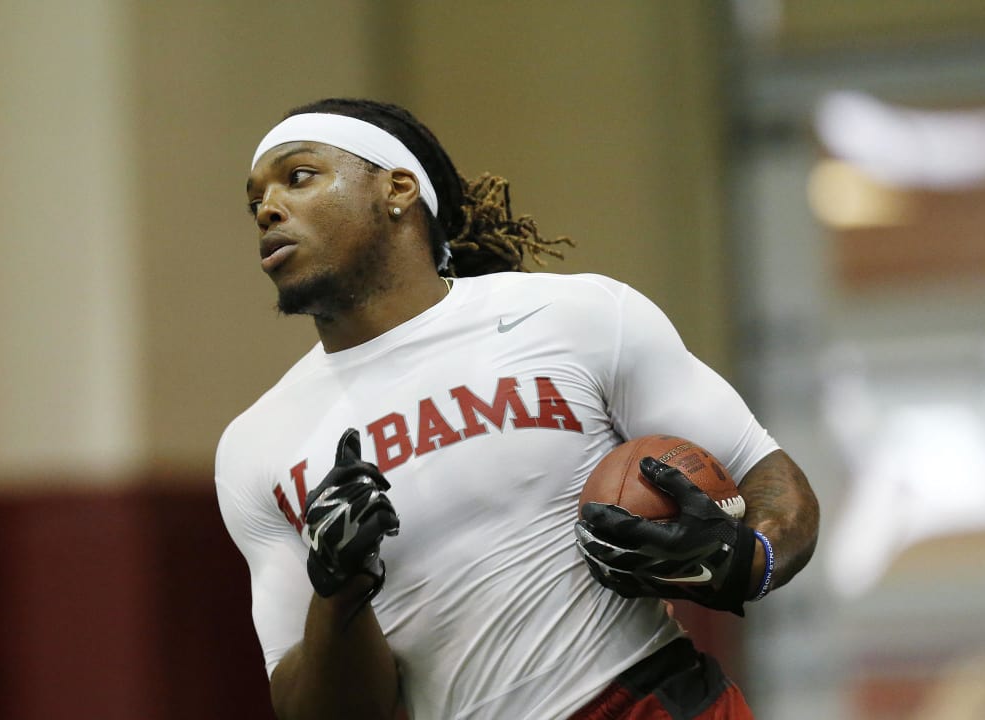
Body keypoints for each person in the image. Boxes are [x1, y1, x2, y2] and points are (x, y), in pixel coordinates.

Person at [216, 98, 819, 720]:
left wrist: (747, 559)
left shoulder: (577, 316)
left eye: (298, 177)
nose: (268, 208)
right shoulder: (256, 445)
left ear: (397, 188)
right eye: (254, 200)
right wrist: (338, 594)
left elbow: (768, 472)